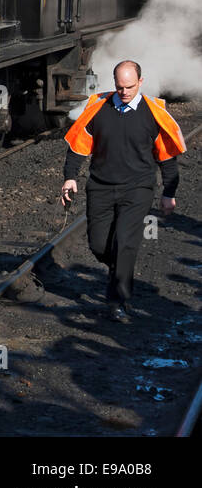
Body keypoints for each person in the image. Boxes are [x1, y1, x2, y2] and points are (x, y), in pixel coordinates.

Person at [61, 59, 186, 322]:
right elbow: (78, 146)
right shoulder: (98, 109)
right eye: (120, 87)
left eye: (130, 86)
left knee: (126, 244)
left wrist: (168, 192)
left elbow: (167, 157)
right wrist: (70, 177)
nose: (125, 92)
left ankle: (117, 302)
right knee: (98, 245)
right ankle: (118, 268)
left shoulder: (154, 114)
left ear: (141, 82)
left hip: (138, 188)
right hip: (101, 187)